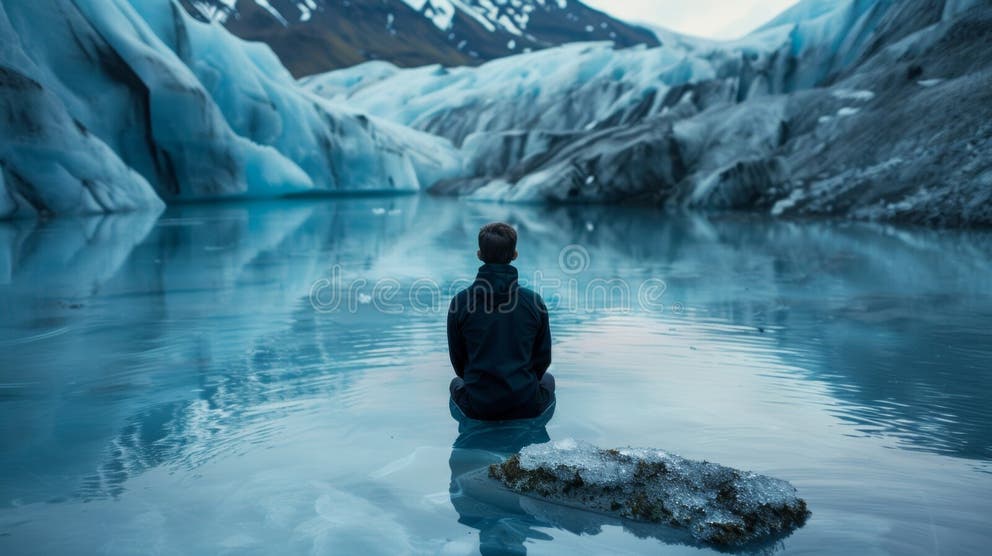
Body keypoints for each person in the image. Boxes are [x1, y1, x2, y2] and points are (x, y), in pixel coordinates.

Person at [447, 222, 555, 421]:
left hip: (478, 407)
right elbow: (543, 359)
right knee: (548, 380)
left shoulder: (460, 302)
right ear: (515, 255)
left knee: (455, 383)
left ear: (479, 255)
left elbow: (458, 361)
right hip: (525, 404)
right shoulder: (533, 301)